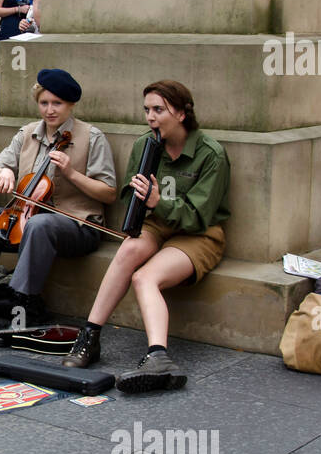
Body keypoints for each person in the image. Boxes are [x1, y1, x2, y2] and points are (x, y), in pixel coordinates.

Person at [61, 80, 230, 394]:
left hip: (198, 234)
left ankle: (158, 356)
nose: (150, 117)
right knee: (127, 252)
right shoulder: (145, 145)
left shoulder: (211, 154)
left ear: (181, 114)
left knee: (144, 278)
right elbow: (129, 191)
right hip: (156, 225)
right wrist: (138, 205)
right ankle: (89, 337)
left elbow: (198, 216)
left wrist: (158, 201)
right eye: (147, 110)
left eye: (158, 110)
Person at [0, 69, 117, 334]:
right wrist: (5, 172)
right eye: (44, 103)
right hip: (26, 218)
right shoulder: (28, 133)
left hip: (78, 225)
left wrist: (71, 173)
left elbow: (108, 192)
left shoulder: (91, 137)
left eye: (58, 103)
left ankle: (23, 308)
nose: (50, 110)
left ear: (71, 104)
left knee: (40, 224)